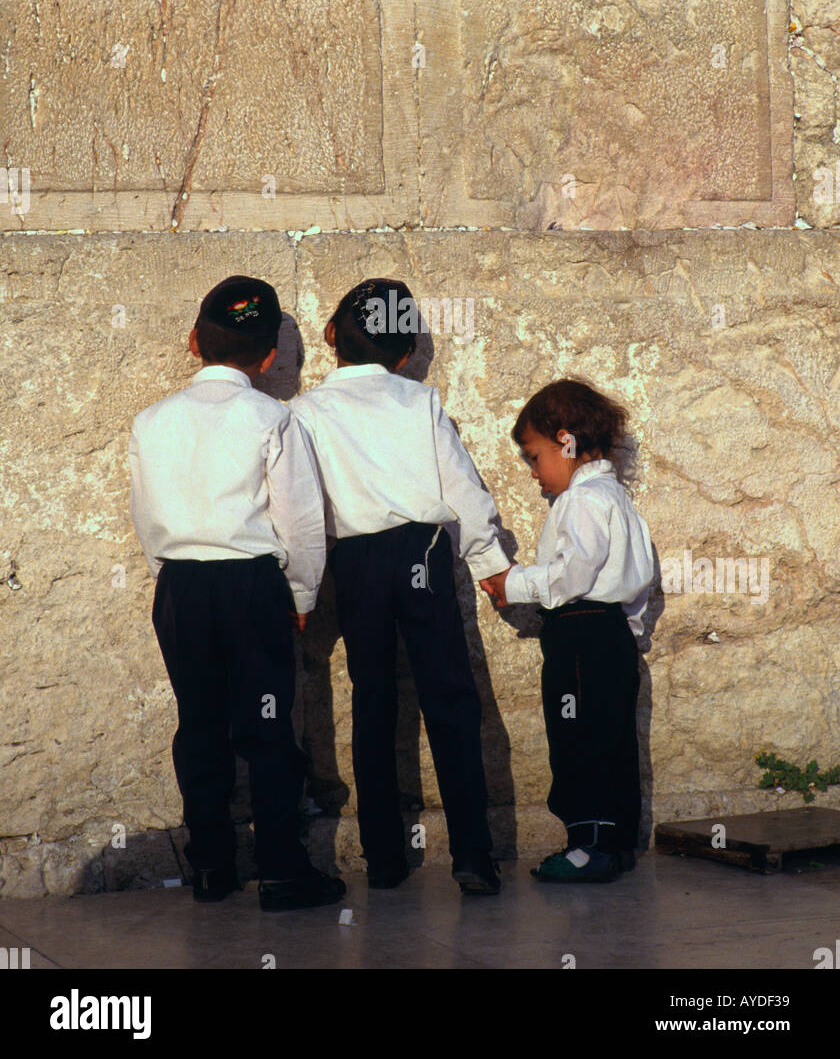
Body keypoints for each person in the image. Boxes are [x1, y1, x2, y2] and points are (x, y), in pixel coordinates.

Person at [128, 275, 345, 911]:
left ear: (194, 341)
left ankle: (211, 867)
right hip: (252, 587)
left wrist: (170, 577)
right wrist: (301, 596)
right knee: (268, 728)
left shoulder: (151, 422)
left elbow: (146, 516)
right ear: (271, 357)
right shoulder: (273, 417)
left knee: (200, 727)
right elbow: (300, 521)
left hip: (182, 585)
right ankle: (281, 868)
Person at [290, 278, 510, 895]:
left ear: (330, 336)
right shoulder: (421, 403)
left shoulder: (304, 413)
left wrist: (301, 591)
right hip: (425, 554)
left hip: (356, 564)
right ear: (408, 353)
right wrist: (490, 560)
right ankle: (474, 855)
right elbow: (464, 492)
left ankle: (384, 858)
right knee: (451, 701)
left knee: (374, 702)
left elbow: (303, 511)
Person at [481, 378, 653, 884]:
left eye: (535, 457)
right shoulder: (617, 500)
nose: (535, 474)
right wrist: (631, 633)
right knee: (613, 738)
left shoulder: (581, 503)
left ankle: (588, 845)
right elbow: (638, 580)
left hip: (579, 635)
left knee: (578, 735)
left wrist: (514, 583)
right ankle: (614, 844)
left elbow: (572, 574)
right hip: (613, 637)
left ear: (566, 442)